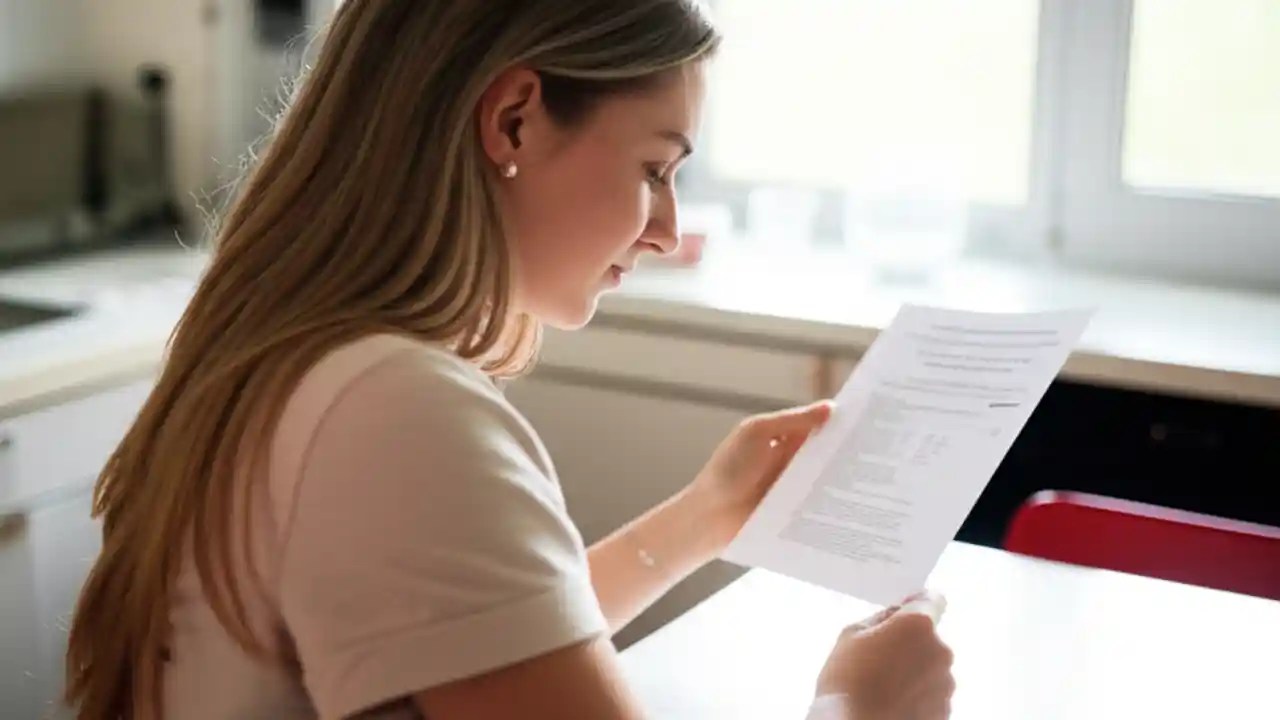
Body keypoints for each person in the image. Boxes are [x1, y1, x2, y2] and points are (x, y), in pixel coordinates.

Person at [64, 1, 954, 718]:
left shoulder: (302, 360)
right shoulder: (395, 411)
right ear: (514, 119)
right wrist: (860, 707)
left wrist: (703, 518)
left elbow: (470, 643)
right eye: (654, 167)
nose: (666, 229)